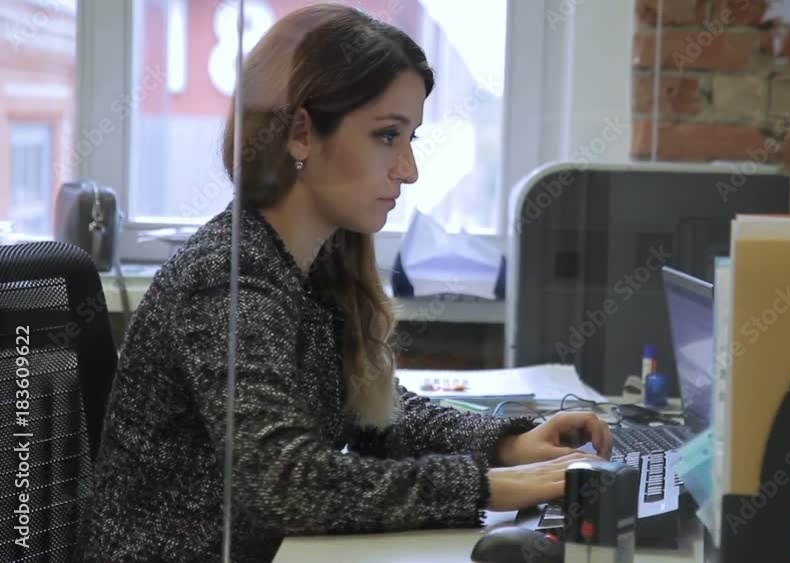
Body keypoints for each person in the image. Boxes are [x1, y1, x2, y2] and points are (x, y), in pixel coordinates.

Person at [74, 5, 611, 563]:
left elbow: (374, 413)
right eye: (386, 136)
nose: (408, 168)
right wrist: (490, 485)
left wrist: (508, 445)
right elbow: (287, 483)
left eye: (410, 140)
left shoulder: (315, 265)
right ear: (302, 133)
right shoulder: (226, 280)